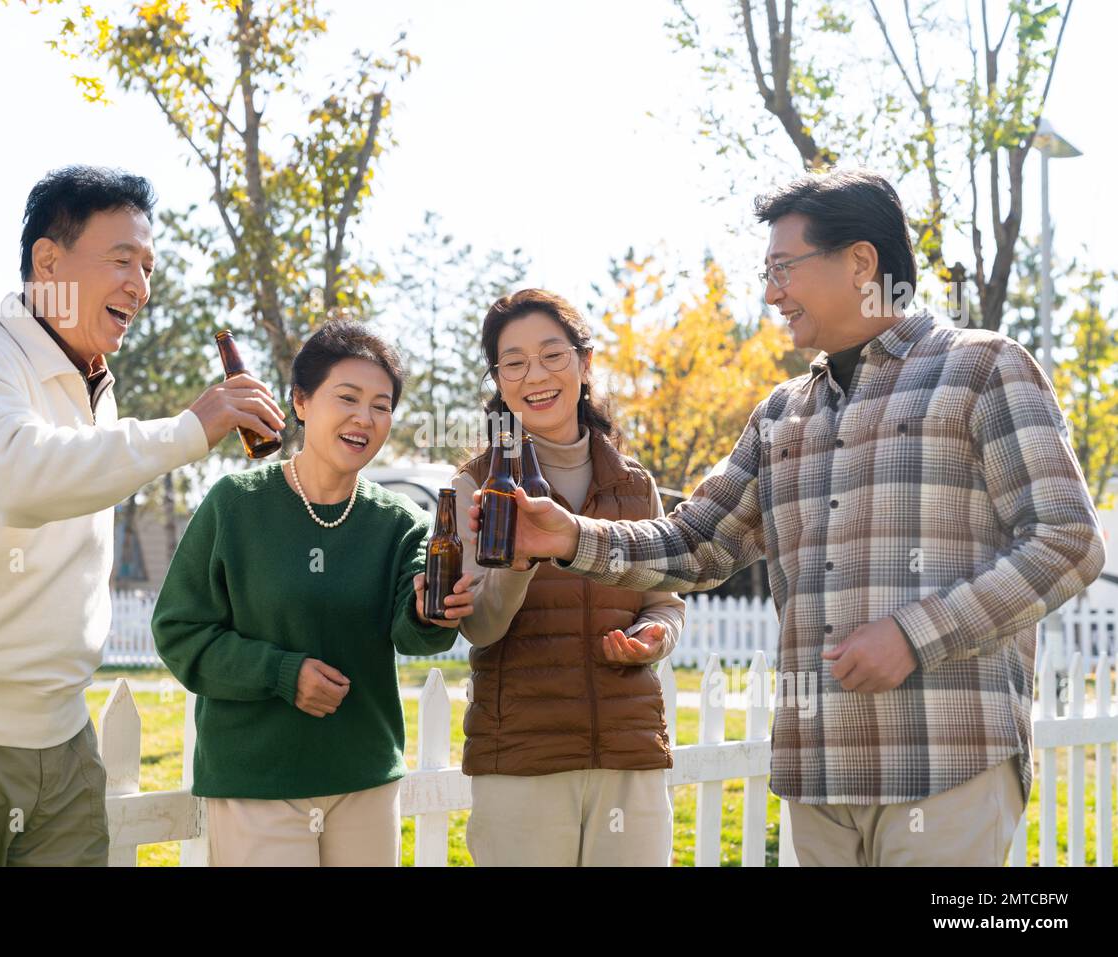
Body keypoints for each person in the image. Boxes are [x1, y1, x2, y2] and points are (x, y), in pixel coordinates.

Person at [471, 169, 1107, 866]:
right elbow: (694, 542)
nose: (772, 293)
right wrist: (572, 536)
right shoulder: (782, 413)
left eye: (784, 269)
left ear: (860, 261)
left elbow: (1067, 541)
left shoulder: (984, 369)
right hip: (819, 774)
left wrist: (913, 634)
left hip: (948, 762)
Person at [0, 166, 286, 866]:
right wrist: (187, 427)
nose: (141, 284)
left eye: (149, 266)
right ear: (48, 261)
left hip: (63, 745)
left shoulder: (93, 389)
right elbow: (22, 476)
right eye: (121, 260)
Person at [152, 319, 473, 867]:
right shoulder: (237, 503)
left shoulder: (401, 523)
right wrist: (281, 673)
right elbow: (179, 631)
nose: (364, 419)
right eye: (346, 398)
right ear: (301, 402)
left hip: (364, 780)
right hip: (256, 782)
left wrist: (432, 612)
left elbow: (413, 632)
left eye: (381, 405)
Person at [452, 289, 686, 867]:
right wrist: (519, 565)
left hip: (628, 748)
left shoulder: (635, 485)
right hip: (523, 756)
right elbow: (479, 628)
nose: (536, 374)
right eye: (514, 362)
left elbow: (665, 600)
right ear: (500, 381)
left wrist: (656, 635)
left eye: (553, 355)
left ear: (584, 365)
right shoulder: (475, 486)